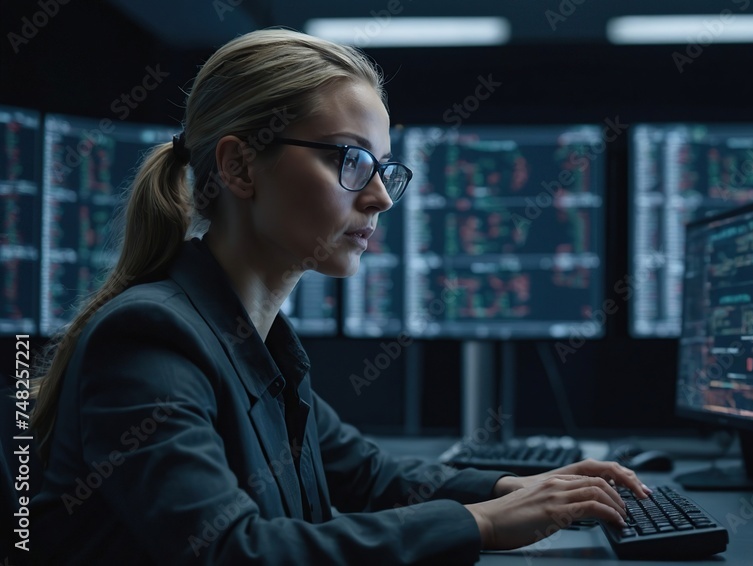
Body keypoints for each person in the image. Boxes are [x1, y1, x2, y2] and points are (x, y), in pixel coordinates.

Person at [29, 28, 649, 564]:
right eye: (351, 161)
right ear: (240, 167)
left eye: (384, 169)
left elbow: (370, 476)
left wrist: (518, 488)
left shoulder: (255, 341)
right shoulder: (148, 339)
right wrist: (481, 523)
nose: (379, 197)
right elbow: (234, 551)